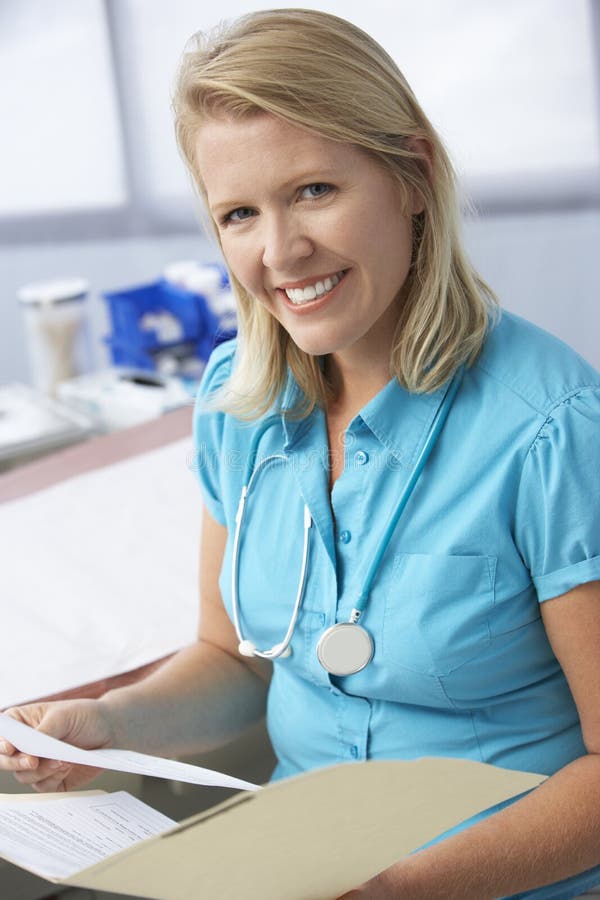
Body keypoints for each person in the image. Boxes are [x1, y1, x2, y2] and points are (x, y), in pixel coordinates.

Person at [2, 9, 600, 898]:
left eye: (314, 190)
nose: (280, 252)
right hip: (295, 869)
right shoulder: (234, 401)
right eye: (240, 213)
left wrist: (402, 889)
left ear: (412, 175)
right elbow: (236, 660)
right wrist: (108, 721)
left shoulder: (552, 429)